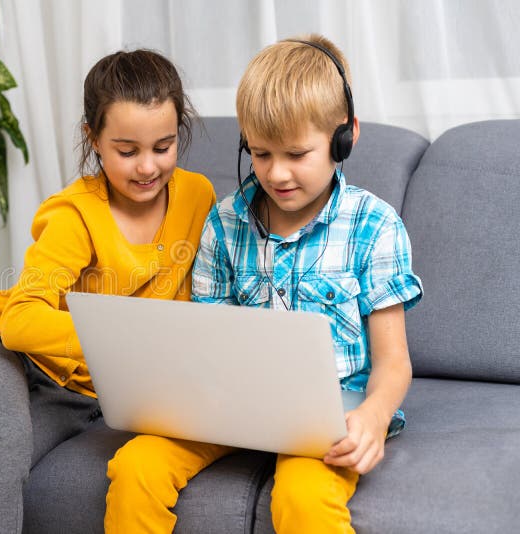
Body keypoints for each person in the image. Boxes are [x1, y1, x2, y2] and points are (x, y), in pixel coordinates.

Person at [105, 34, 423, 533]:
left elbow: (394, 362)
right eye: (260, 153)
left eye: (297, 154)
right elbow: (204, 340)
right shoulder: (224, 223)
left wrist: (375, 417)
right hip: (228, 407)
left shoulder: (375, 226)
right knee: (135, 467)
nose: (277, 173)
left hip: (328, 418)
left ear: (345, 137)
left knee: (303, 497)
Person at [0, 48, 216, 533]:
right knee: (0, 438)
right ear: (94, 139)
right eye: (127, 151)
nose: (147, 167)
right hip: (0, 349)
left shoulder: (197, 196)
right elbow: (20, 322)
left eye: (163, 147)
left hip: (79, 386)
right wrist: (122, 342)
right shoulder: (73, 215)